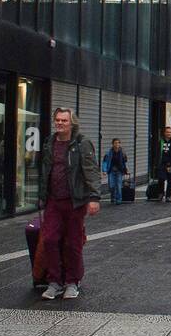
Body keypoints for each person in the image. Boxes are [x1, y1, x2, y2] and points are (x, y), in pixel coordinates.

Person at [36, 108, 101, 301]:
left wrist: (94, 197)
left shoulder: (82, 143)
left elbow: (91, 170)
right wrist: (42, 194)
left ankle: (72, 281)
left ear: (72, 123)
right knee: (49, 240)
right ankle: (54, 281)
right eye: (57, 120)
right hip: (53, 200)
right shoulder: (50, 142)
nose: (60, 123)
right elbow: (45, 169)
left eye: (64, 120)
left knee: (73, 243)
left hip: (75, 201)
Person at [103, 138, 128, 205]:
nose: (117, 144)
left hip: (119, 171)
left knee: (119, 185)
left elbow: (125, 162)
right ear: (113, 144)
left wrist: (126, 170)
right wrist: (104, 170)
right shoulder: (109, 153)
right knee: (112, 186)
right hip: (111, 171)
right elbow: (105, 162)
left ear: (120, 144)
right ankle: (113, 197)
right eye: (115, 143)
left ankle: (118, 199)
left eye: (118, 143)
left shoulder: (122, 153)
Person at [158, 125, 171, 202]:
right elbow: (157, 152)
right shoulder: (161, 141)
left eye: (170, 132)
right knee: (161, 179)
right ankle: (161, 193)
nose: (169, 133)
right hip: (162, 163)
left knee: (170, 180)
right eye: (167, 132)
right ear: (164, 133)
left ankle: (168, 196)